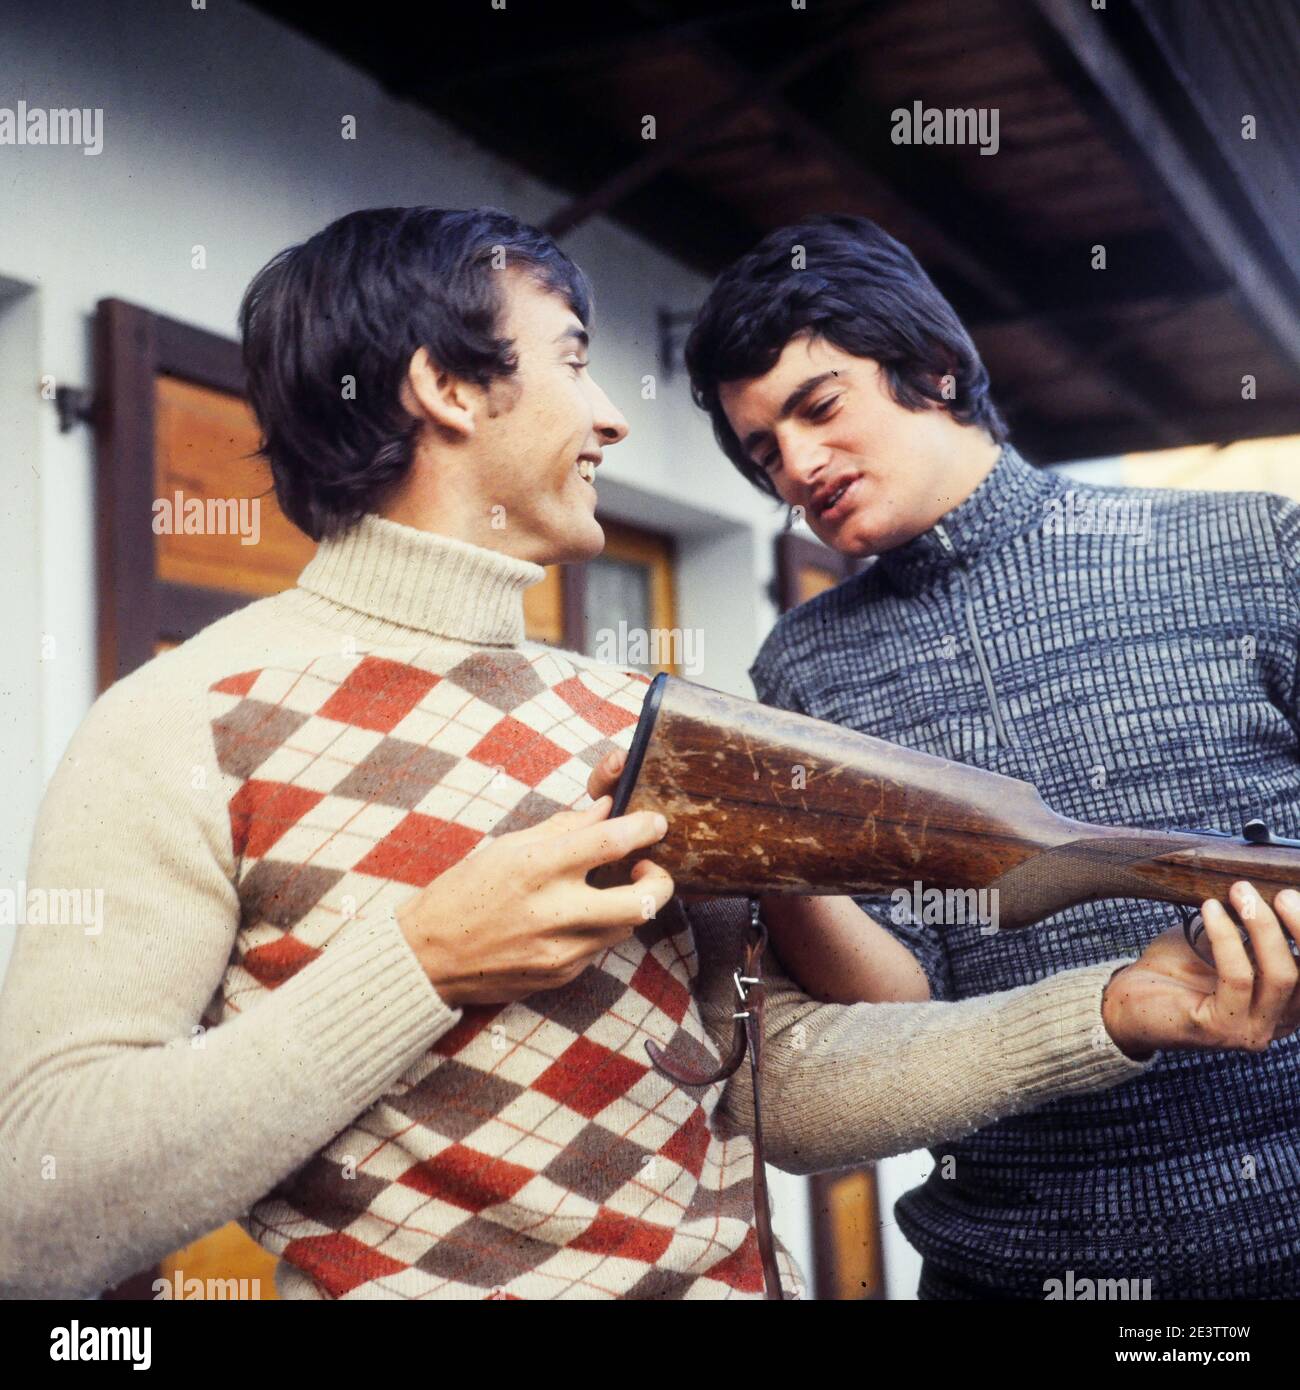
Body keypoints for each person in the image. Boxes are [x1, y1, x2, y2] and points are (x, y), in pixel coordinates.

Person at [2, 208, 1297, 1303]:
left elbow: (772, 1081)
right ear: (447, 387)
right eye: (573, 354)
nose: (615, 417)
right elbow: (35, 1217)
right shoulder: (181, 720)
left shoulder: (653, 722)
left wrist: (1111, 1011)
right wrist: (421, 968)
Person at [683, 211, 1300, 1299]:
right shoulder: (801, 674)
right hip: (1005, 1265)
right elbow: (897, 1004)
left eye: (818, 407)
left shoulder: (1247, 545)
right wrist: (770, 867)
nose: (796, 466)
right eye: (760, 450)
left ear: (934, 367)